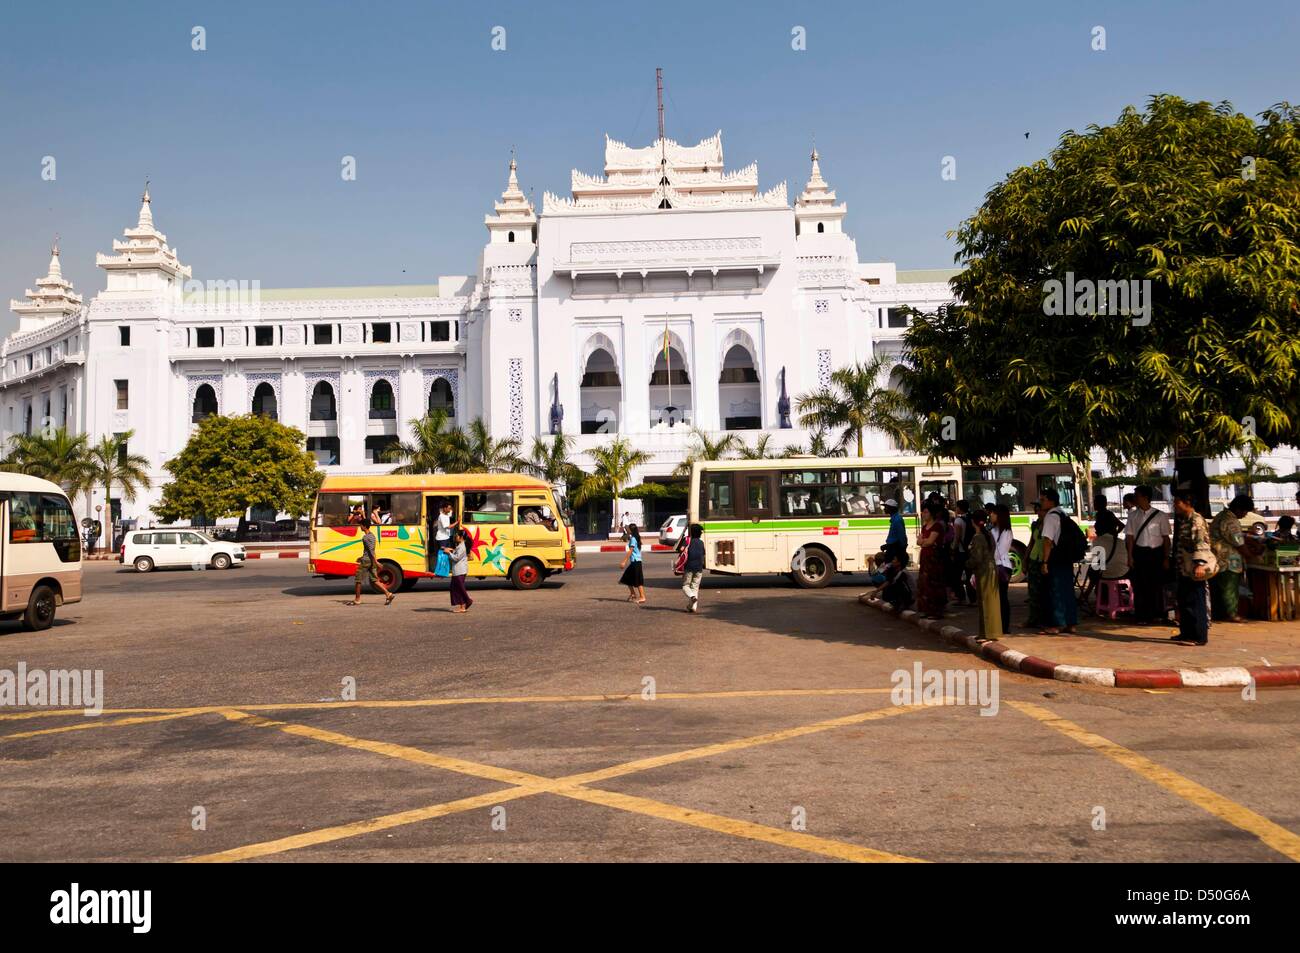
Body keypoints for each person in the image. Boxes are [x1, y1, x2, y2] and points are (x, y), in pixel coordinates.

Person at [1125, 485, 1171, 625]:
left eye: (1137, 495)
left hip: (1156, 552)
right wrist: (1130, 556)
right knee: (1140, 585)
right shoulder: (1133, 515)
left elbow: (1166, 538)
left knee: (1157, 585)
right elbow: (1130, 537)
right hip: (1140, 552)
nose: (1135, 498)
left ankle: (1158, 614)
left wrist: (1166, 557)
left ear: (1145, 497)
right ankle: (1142, 615)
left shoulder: (1160, 516)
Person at [1172, 490, 1214, 645]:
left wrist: (1200, 564)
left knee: (1196, 602)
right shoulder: (1185, 519)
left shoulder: (1196, 520)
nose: (1175, 506)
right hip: (1185, 568)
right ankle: (1187, 632)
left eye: (1177, 502)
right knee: (1184, 601)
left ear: (1186, 502)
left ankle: (1198, 636)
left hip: (1194, 568)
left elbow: (1201, 542)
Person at [1037, 488, 1078, 634]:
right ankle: (1071, 623)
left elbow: (1047, 541)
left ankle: (1057, 624)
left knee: (1055, 591)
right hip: (1066, 556)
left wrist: (1045, 562)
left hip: (1055, 557)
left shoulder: (1050, 516)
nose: (1040, 503)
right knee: (1067, 590)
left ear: (1050, 501)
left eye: (1042, 500)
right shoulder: (1063, 513)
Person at [1209, 494, 1253, 623]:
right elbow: (1238, 542)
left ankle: (1219, 613)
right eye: (1245, 511)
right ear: (1239, 508)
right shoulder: (1230, 520)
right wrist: (1250, 555)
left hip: (1218, 559)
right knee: (1230, 588)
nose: (1245, 514)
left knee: (1219, 589)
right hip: (1227, 560)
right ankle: (1231, 614)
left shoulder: (1222, 516)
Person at [965, 508, 1003, 640]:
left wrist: (967, 564)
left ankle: (988, 633)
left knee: (985, 603)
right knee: (991, 602)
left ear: (973, 522)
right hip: (990, 569)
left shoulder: (978, 537)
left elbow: (977, 558)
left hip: (983, 571)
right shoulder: (988, 534)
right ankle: (987, 632)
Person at [347, 521, 394, 606]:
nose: (360, 527)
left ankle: (357, 600)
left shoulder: (365, 537)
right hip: (370, 560)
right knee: (374, 580)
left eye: (360, 525)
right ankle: (388, 594)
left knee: (358, 580)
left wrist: (376, 562)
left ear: (364, 526)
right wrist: (371, 560)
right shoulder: (372, 536)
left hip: (366, 561)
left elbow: (371, 551)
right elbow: (371, 550)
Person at [915, 501, 947, 619]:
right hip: (925, 557)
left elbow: (929, 542)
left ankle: (936, 611)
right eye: (923, 512)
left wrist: (924, 541)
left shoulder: (937, 526)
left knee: (934, 583)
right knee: (924, 584)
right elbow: (919, 542)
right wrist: (924, 542)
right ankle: (926, 609)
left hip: (934, 558)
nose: (924, 514)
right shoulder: (924, 527)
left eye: (926, 512)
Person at [990, 503, 1014, 634]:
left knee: (1002, 597)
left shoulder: (1006, 532)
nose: (991, 515)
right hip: (994, 566)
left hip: (1002, 567)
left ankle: (1005, 626)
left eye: (993, 513)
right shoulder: (993, 530)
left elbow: (999, 551)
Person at [950, 500, 976, 605]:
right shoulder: (971, 518)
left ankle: (961, 597)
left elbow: (957, 538)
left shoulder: (958, 521)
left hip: (961, 552)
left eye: (956, 507)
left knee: (956, 575)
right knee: (970, 575)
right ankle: (973, 599)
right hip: (970, 551)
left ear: (960, 508)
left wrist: (952, 549)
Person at [444, 527, 473, 613]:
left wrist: (449, 553)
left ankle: (466, 602)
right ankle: (462, 605)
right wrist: (451, 550)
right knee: (456, 588)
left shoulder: (462, 547)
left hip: (459, 571)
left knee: (459, 589)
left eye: (457, 536)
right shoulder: (460, 546)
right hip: (458, 571)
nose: (456, 537)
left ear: (461, 537)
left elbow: (456, 558)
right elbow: (457, 554)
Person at [680, 523, 705, 613]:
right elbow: (703, 554)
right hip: (699, 568)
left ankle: (692, 597)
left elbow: (681, 550)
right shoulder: (701, 542)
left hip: (689, 567)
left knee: (685, 586)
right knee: (695, 587)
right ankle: (692, 607)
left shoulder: (688, 540)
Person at [619, 522, 646, 603]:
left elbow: (631, 551)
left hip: (636, 562)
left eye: (628, 529)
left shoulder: (633, 539)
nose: (627, 530)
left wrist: (624, 561)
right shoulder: (636, 537)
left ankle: (642, 597)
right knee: (627, 578)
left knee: (637, 580)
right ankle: (633, 594)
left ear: (631, 530)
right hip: (636, 562)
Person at [883, 497, 907, 564]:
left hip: (895, 549)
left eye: (886, 507)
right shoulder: (895, 519)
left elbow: (901, 537)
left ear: (891, 509)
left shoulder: (897, 520)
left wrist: (902, 550)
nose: (885, 509)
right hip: (893, 547)